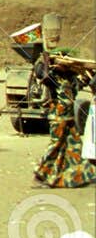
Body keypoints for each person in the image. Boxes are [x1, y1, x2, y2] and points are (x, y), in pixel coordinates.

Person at [33, 59, 96, 189]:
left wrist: (89, 71)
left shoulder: (71, 80)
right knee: (55, 146)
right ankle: (40, 174)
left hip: (70, 119)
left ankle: (81, 177)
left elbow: (85, 81)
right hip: (58, 118)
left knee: (74, 148)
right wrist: (45, 58)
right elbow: (40, 73)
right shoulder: (53, 79)